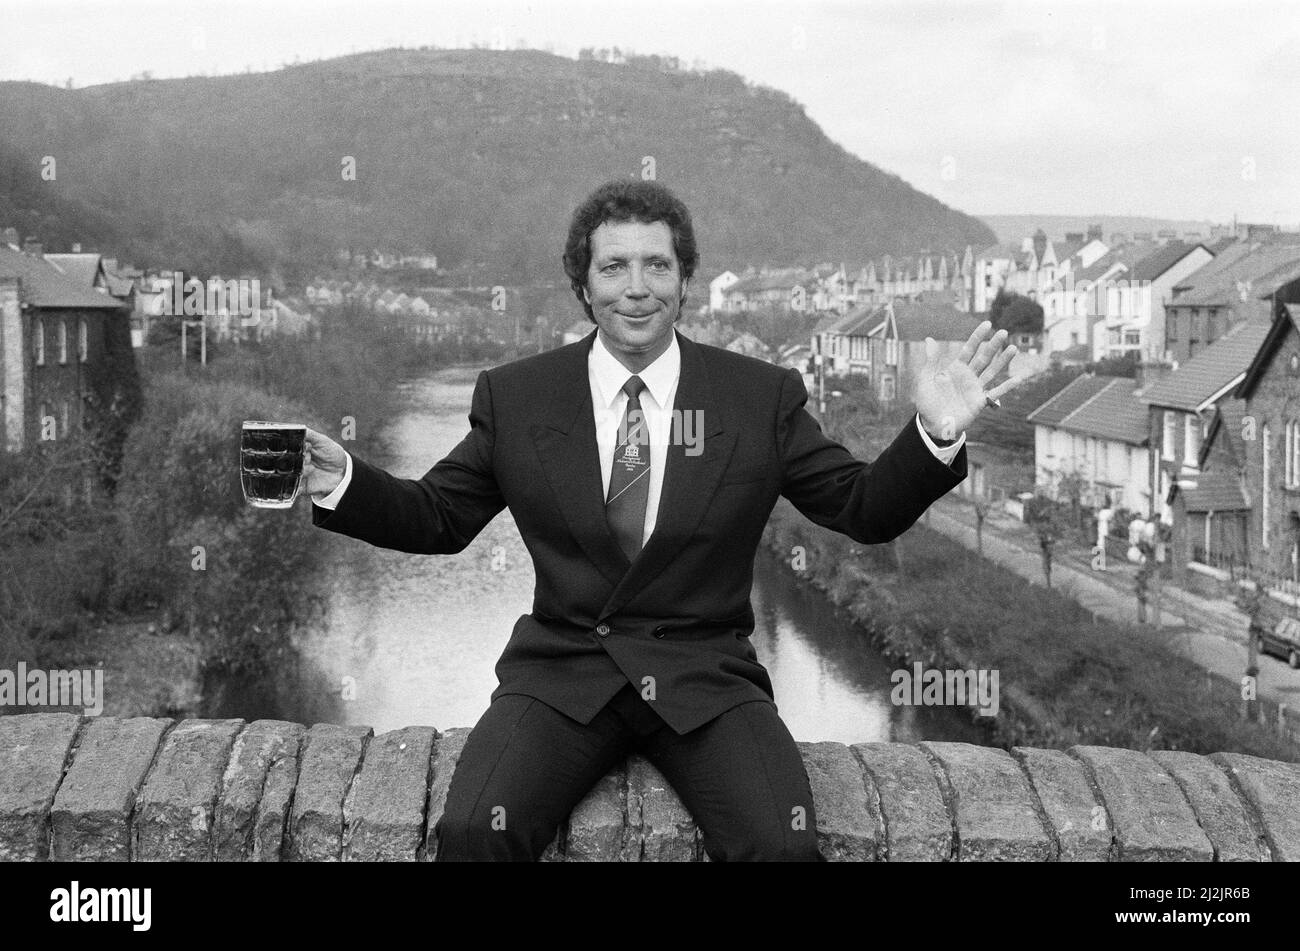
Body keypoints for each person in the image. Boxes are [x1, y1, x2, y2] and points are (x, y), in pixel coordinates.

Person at [299, 179, 1024, 861]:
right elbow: (438, 517)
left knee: (782, 844)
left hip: (704, 674)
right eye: (614, 267)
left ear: (685, 282)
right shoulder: (521, 397)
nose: (636, 286)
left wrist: (933, 436)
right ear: (583, 286)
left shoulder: (755, 398)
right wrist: (346, 483)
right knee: (471, 832)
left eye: (657, 265)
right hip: (564, 673)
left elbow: (861, 508)